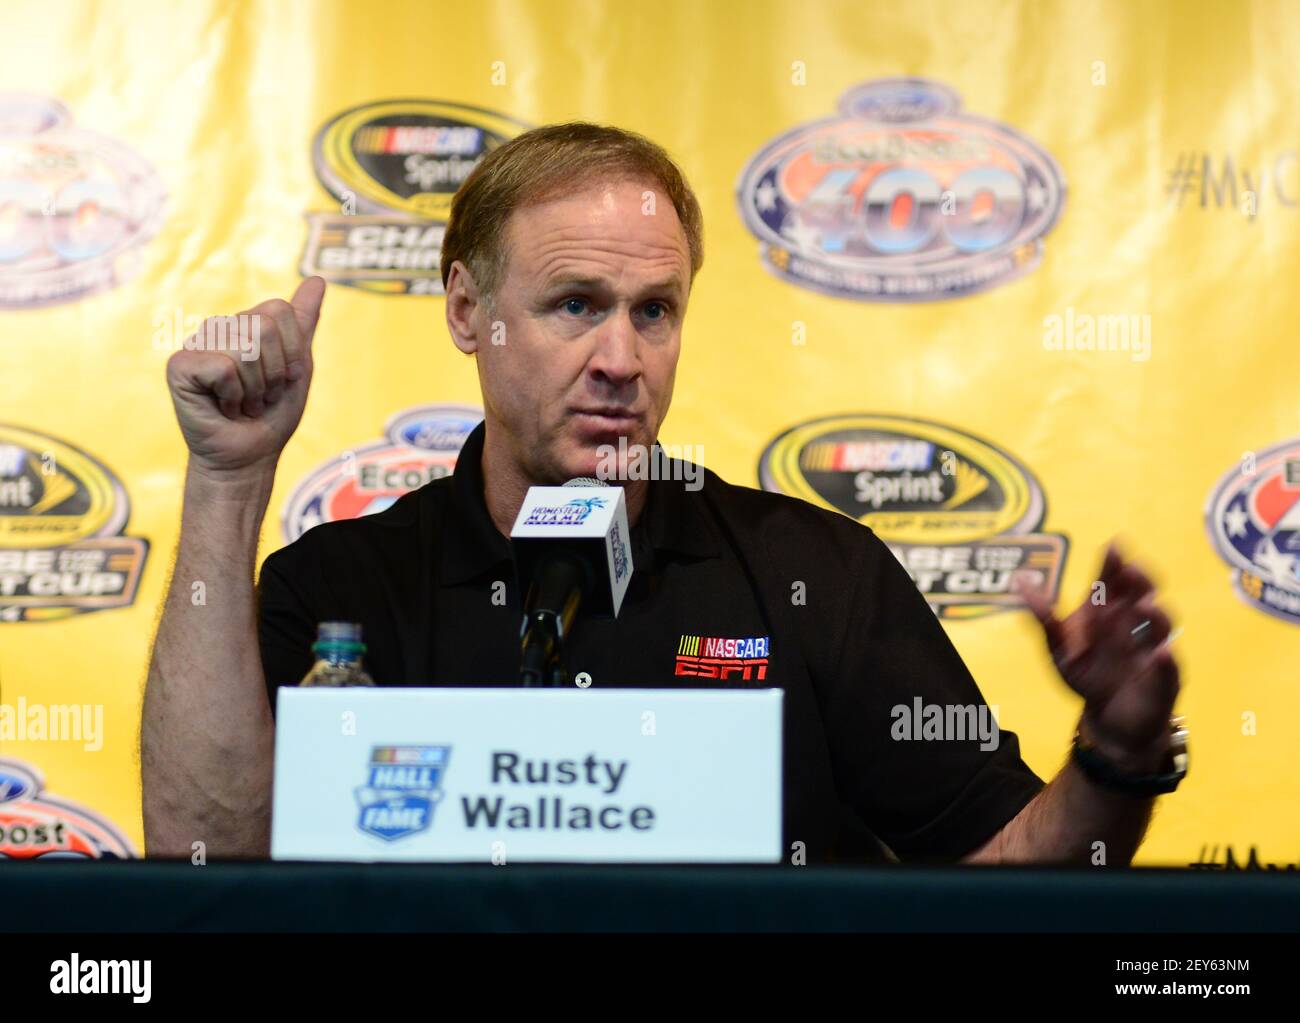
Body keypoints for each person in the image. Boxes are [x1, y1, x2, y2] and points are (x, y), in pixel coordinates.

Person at [142, 122, 1183, 863]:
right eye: (574, 305)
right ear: (467, 309)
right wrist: (228, 479)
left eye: (654, 312)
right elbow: (199, 861)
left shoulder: (816, 574)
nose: (620, 358)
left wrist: (1115, 755)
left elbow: (1001, 865)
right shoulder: (341, 588)